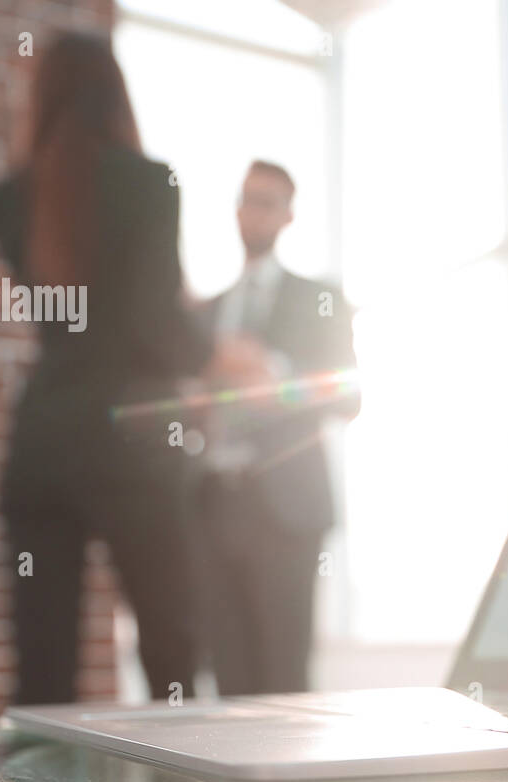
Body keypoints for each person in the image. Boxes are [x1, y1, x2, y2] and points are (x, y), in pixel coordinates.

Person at [0, 32, 211, 705]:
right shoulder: (148, 182)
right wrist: (214, 354)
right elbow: (153, 323)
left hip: (41, 446)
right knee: (171, 658)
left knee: (41, 677)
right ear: (116, 93)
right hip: (131, 442)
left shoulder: (7, 199)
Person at [194, 161, 359, 695]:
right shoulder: (207, 311)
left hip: (287, 510)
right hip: (216, 506)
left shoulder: (319, 298)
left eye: (268, 201)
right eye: (247, 199)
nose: (255, 210)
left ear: (288, 215)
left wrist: (274, 372)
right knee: (230, 685)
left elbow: (349, 394)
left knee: (285, 683)